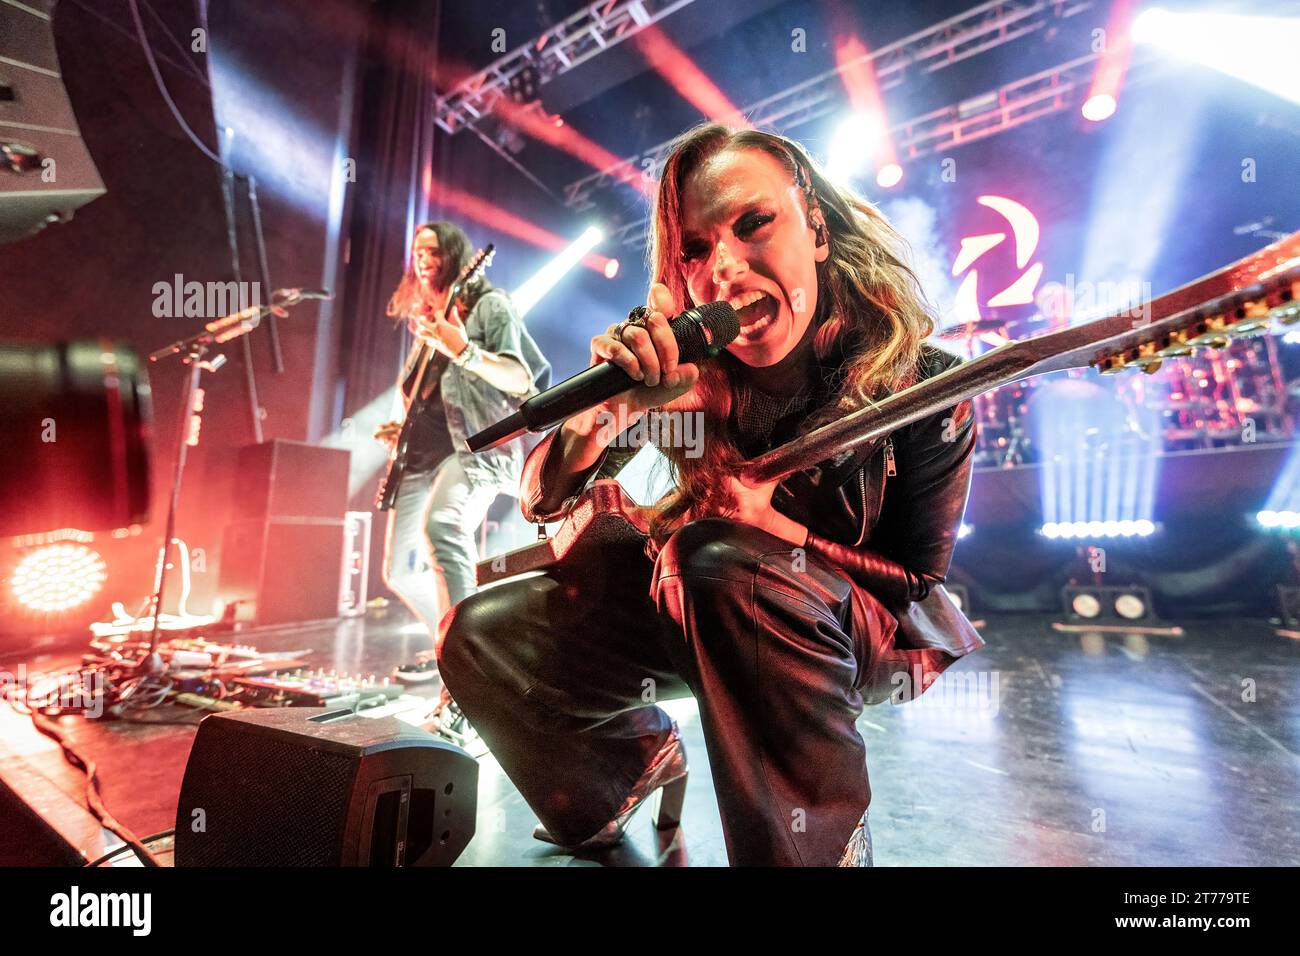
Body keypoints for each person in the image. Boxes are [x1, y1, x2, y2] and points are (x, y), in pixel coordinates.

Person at [436, 126, 983, 866]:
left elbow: (917, 584)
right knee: (479, 632)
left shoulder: (924, 385)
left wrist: (781, 536)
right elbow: (542, 497)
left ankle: (820, 851)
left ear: (816, 230)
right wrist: (608, 415)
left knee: (721, 558)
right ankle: (623, 770)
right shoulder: (689, 379)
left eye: (754, 224)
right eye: (695, 250)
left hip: (851, 628)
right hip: (706, 599)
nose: (723, 268)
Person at [374, 221, 550, 706]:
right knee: (397, 571)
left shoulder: (489, 305)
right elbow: (419, 400)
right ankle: (465, 647)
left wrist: (464, 349)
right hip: (419, 458)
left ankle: (464, 683)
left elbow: (521, 378)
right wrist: (398, 429)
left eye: (432, 248)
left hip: (470, 450)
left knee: (442, 526)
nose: (422, 256)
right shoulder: (426, 326)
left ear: (455, 255)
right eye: (416, 250)